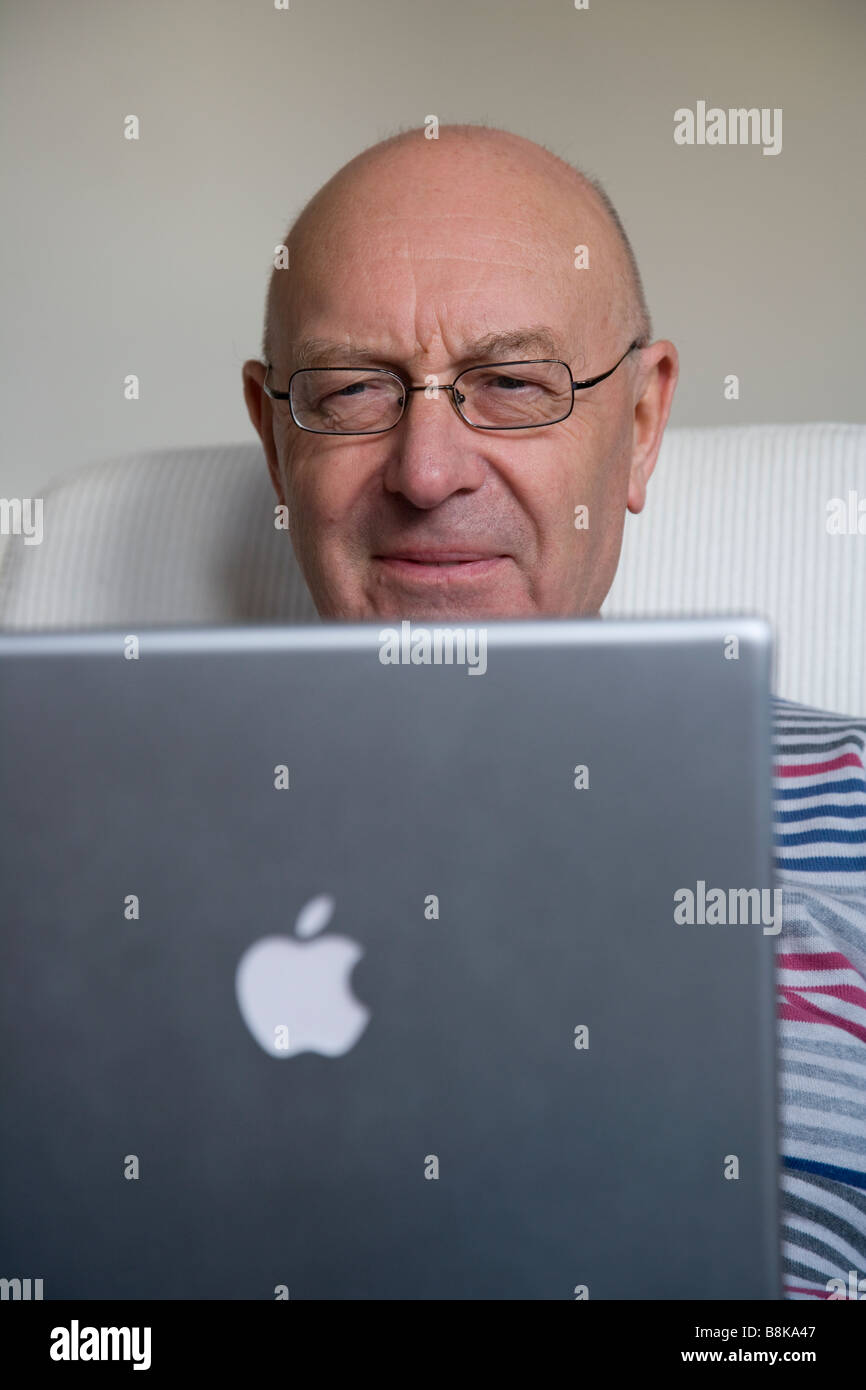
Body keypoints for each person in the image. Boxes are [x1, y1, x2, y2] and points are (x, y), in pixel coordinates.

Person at [242, 123, 866, 1300]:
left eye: (512, 386)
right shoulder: (72, 823)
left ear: (637, 426)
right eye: (352, 389)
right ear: (278, 438)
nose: (427, 471)